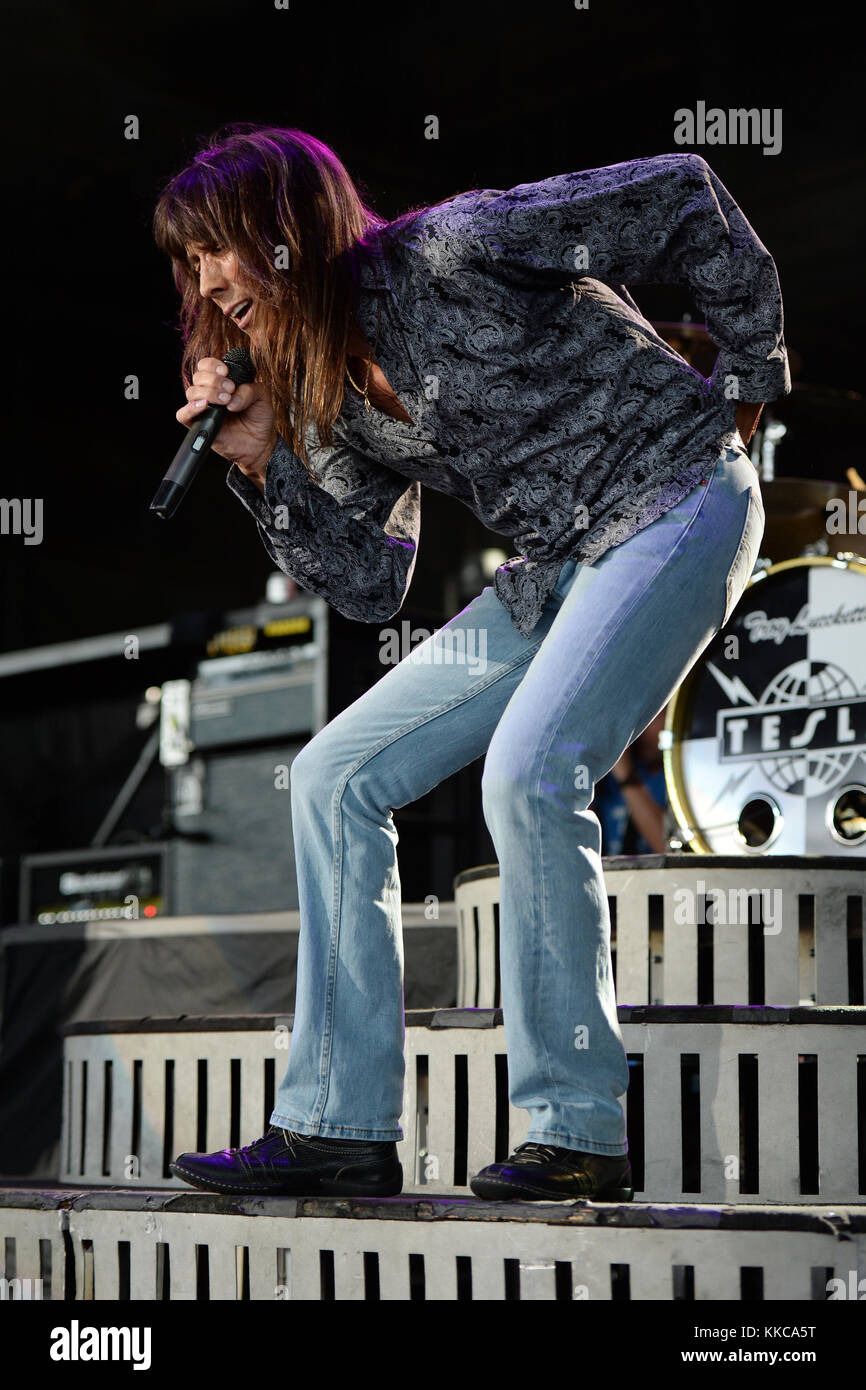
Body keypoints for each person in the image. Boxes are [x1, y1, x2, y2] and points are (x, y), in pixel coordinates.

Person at [153, 123, 788, 1202]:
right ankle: (337, 1126)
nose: (210, 283)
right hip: (553, 568)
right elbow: (369, 585)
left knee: (528, 769)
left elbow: (680, 190)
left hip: (672, 495)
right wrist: (264, 466)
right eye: (190, 262)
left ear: (288, 227)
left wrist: (747, 377)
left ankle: (577, 1126)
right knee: (330, 776)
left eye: (219, 247)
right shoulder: (326, 387)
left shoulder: (450, 249)